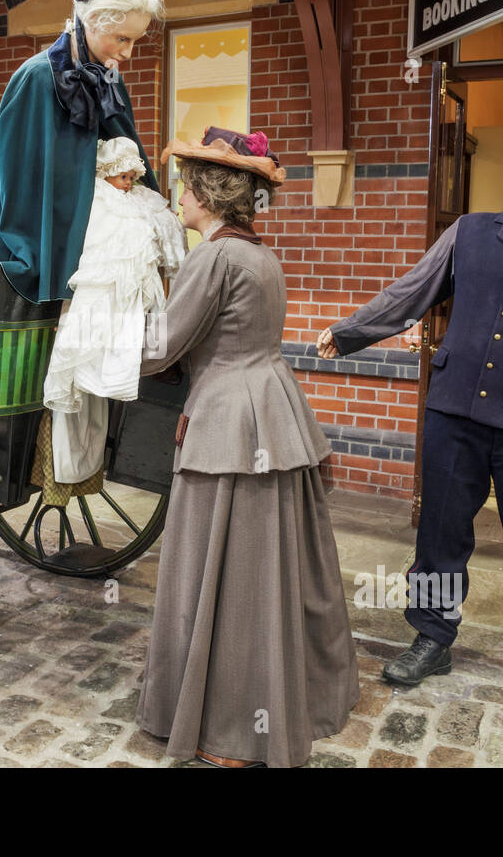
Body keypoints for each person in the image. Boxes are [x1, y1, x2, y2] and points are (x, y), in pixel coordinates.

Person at [317, 112, 503, 713]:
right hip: (453, 411)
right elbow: (413, 289)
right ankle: (432, 635)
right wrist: (351, 330)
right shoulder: (469, 231)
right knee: (440, 533)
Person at [136, 126, 360, 768]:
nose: (179, 195)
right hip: (268, 413)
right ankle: (279, 705)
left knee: (231, 579)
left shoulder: (213, 257)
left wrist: (89, 333)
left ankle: (233, 731)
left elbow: (162, 348)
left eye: (186, 185)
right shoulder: (257, 254)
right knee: (265, 573)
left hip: (232, 427)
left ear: (209, 193)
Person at [0, 0, 164, 506]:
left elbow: (127, 148)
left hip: (88, 232)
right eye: (122, 39)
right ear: (93, 21)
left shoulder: (105, 76)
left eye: (134, 42)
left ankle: (80, 450)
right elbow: (19, 185)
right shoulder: (34, 78)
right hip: (40, 241)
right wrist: (49, 260)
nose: (127, 52)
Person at [43, 136, 186, 483]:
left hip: (130, 293)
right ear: (106, 173)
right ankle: (72, 461)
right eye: (122, 176)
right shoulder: (98, 201)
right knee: (91, 343)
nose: (128, 183)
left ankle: (126, 379)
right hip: (100, 291)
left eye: (131, 177)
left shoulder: (138, 201)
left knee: (122, 335)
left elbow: (167, 238)